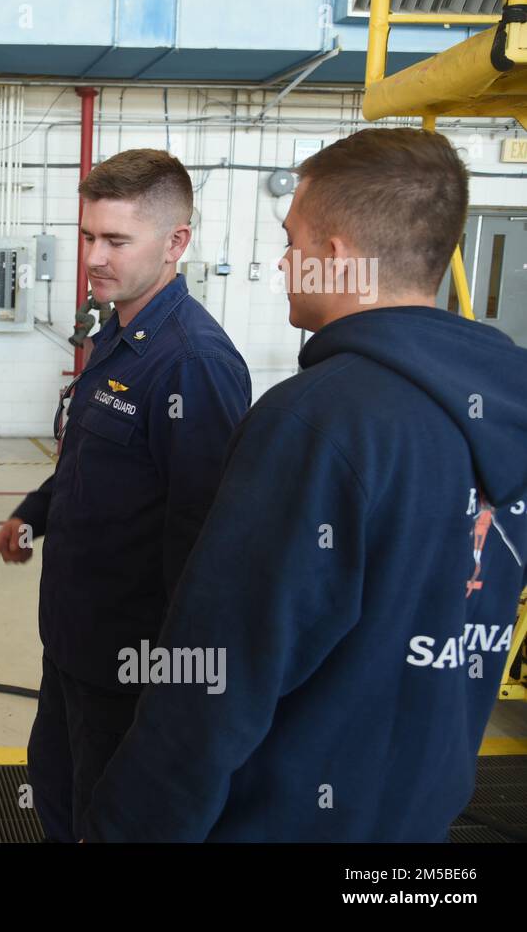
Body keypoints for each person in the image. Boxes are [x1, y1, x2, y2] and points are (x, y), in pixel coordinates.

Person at [84, 127, 527, 841]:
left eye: (292, 243)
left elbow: (217, 674)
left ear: (335, 260)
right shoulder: (504, 411)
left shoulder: (319, 422)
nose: (283, 263)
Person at [0, 149, 251, 842]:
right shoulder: (116, 334)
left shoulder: (192, 362)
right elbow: (90, 459)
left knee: (110, 818)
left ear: (176, 243)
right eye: (87, 237)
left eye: (115, 240)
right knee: (58, 793)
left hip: (131, 667)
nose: (93, 257)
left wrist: (176, 689)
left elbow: (201, 541)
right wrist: (32, 514)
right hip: (73, 641)